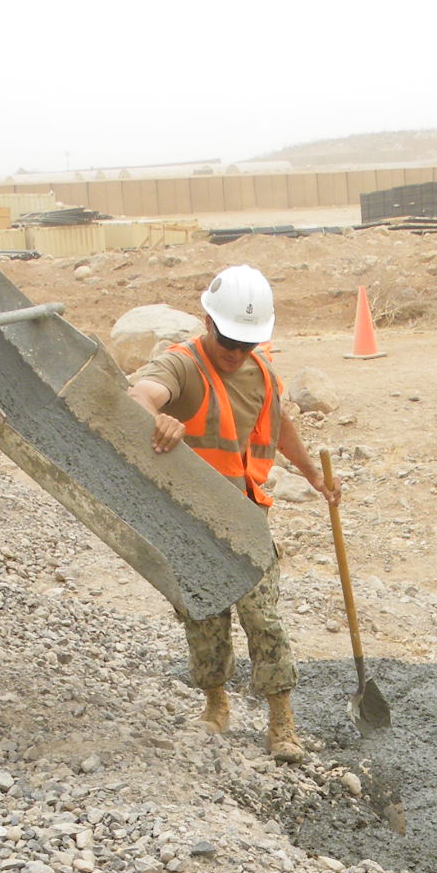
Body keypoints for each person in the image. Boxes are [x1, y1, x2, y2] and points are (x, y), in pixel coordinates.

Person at [126, 265, 334, 763]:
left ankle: (281, 723)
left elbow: (278, 426)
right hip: (190, 522)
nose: (235, 353)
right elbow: (137, 397)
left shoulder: (261, 371)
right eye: (228, 340)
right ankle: (216, 703)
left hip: (245, 519)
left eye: (247, 344)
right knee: (204, 619)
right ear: (207, 321)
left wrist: (312, 472)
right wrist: (156, 419)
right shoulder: (180, 365)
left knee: (264, 619)